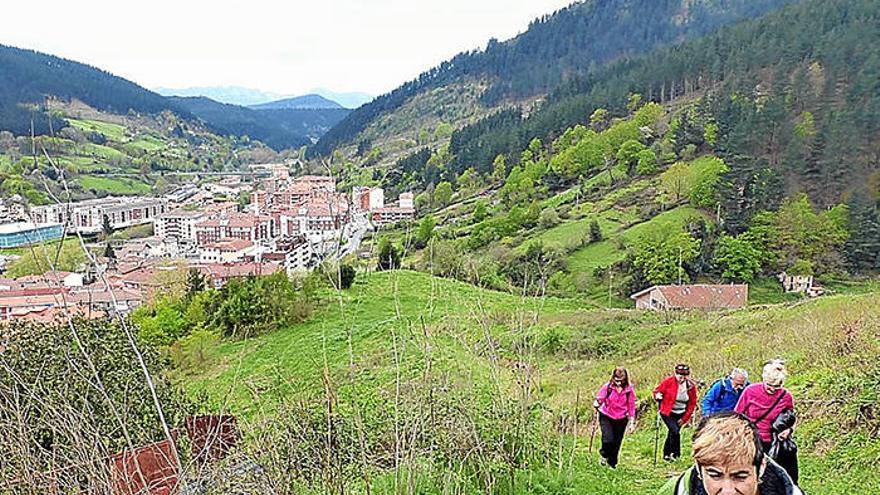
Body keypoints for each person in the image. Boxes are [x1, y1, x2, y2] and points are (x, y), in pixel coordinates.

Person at [657, 412, 803, 495]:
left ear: (761, 468)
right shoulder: (675, 491)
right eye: (714, 475)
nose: (727, 491)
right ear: (699, 469)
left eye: (740, 476)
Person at [735, 359, 798, 483]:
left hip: (775, 442)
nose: (772, 390)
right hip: (752, 440)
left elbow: (791, 419)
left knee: (778, 478)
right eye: (769, 385)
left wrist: (789, 431)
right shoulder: (750, 391)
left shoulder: (786, 397)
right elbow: (737, 416)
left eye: (777, 387)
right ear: (763, 379)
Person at [592, 366, 636, 468]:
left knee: (617, 442)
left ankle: (612, 464)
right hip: (606, 415)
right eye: (616, 380)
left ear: (625, 379)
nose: (618, 383)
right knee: (608, 439)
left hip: (621, 418)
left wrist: (631, 422)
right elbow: (600, 398)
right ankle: (604, 454)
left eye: (621, 381)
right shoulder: (608, 387)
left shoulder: (629, 390)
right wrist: (597, 403)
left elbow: (631, 406)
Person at [654, 363, 697, 460]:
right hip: (668, 412)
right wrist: (658, 395)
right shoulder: (668, 382)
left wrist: (684, 418)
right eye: (680, 376)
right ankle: (676, 454)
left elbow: (692, 403)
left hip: (681, 413)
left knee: (672, 432)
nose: (682, 379)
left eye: (684, 377)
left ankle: (667, 454)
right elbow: (657, 391)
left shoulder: (690, 386)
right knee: (675, 431)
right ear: (676, 374)